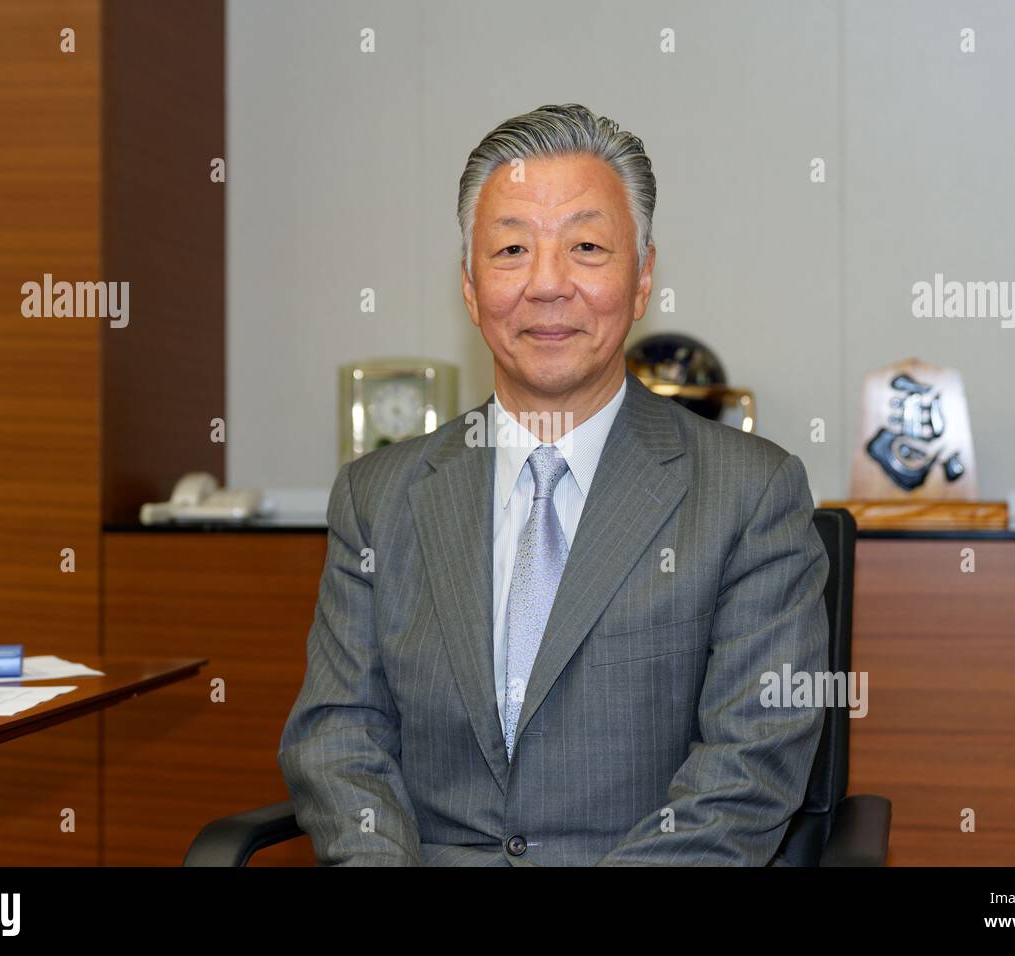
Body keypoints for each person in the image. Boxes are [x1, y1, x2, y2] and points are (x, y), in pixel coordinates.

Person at [279, 103, 828, 865]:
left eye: (587, 246)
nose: (547, 284)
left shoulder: (750, 494)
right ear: (470, 289)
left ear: (642, 281)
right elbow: (339, 739)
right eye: (511, 249)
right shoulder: (379, 499)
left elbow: (746, 776)